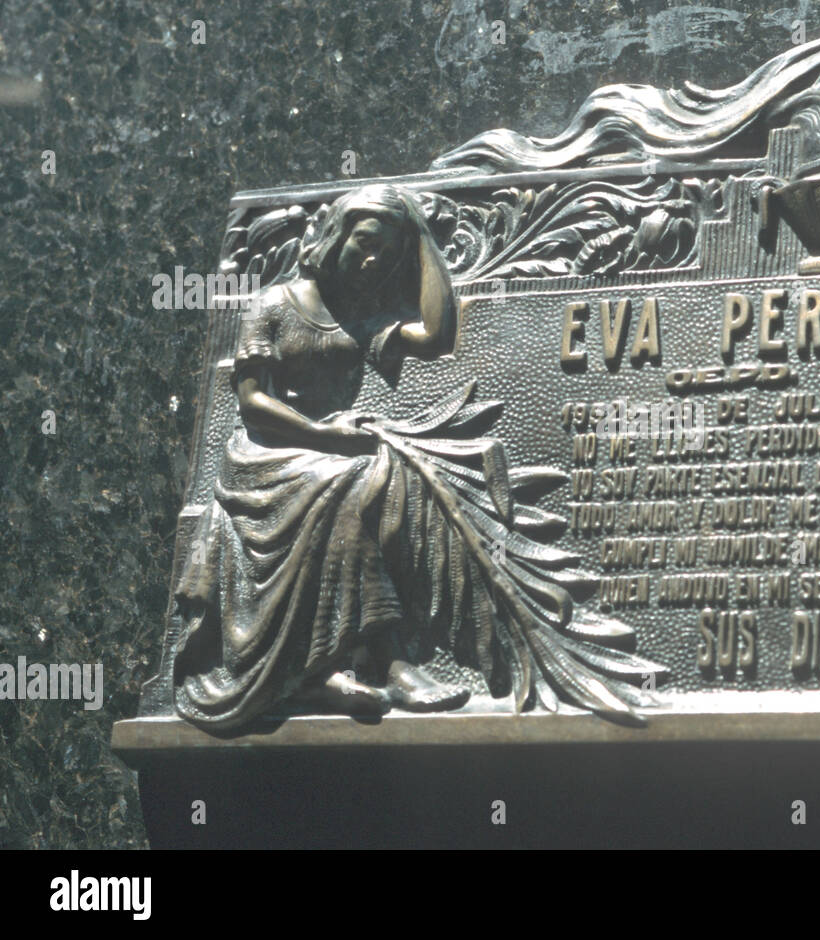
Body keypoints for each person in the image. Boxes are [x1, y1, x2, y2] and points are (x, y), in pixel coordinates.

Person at [172, 183, 662, 731]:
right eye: (364, 242)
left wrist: (425, 237)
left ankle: (349, 665)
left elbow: (436, 334)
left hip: (337, 444)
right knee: (355, 479)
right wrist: (323, 435)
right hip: (269, 452)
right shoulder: (274, 305)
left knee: (380, 476)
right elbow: (253, 403)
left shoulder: (362, 320)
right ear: (335, 236)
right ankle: (380, 662)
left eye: (390, 250)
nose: (373, 258)